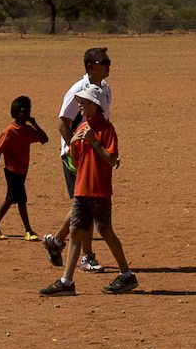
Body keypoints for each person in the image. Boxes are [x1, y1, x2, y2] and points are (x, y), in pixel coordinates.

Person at [41, 90, 135, 294]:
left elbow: (111, 161)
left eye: (83, 102)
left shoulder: (106, 129)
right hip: (82, 188)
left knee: (105, 230)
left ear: (94, 104)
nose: (80, 106)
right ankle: (67, 282)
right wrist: (74, 145)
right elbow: (76, 163)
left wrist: (93, 141)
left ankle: (127, 275)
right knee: (75, 231)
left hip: (99, 189)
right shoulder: (82, 127)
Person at [45, 46, 114, 272]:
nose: (108, 64)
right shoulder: (79, 89)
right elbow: (62, 122)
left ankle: (56, 243)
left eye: (108, 60)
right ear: (90, 66)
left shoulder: (105, 89)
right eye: (103, 61)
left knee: (82, 203)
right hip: (75, 156)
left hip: (93, 153)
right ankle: (87, 257)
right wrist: (75, 150)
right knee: (88, 204)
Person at [0, 95, 44, 237]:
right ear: (14, 114)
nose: (27, 115)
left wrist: (35, 124)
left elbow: (44, 139)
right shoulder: (9, 131)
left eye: (28, 112)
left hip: (22, 170)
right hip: (12, 170)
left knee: (18, 200)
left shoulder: (28, 130)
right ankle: (23, 230)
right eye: (24, 112)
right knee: (15, 199)